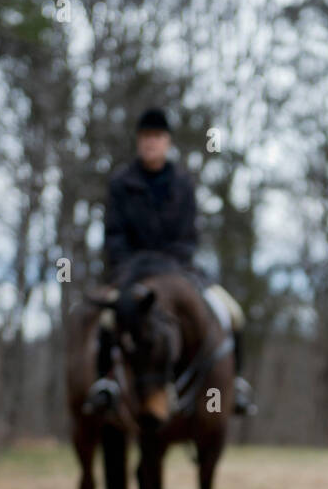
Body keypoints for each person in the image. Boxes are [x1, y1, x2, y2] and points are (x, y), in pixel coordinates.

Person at [92, 107, 256, 415]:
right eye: (144, 137)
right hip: (134, 273)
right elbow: (114, 236)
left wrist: (172, 268)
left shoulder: (183, 183)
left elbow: (189, 237)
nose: (150, 143)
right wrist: (130, 269)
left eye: (156, 137)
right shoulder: (121, 183)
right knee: (107, 319)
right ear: (138, 142)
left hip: (179, 270)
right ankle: (106, 383)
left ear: (167, 142)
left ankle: (236, 384)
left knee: (233, 313)